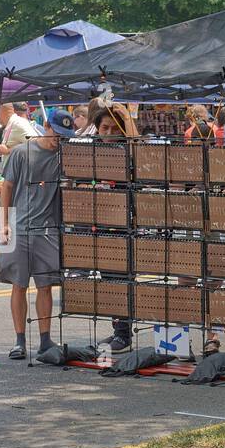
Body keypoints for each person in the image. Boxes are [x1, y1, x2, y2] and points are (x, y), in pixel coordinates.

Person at [0, 108, 72, 360]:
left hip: (48, 229)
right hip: (20, 227)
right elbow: (6, 186)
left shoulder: (64, 155)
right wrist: (4, 222)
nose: (58, 140)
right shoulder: (22, 152)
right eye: (56, 134)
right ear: (46, 126)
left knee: (45, 286)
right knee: (19, 285)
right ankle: (19, 340)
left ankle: (44, 338)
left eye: (64, 136)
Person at [90, 102, 139, 352]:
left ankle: (124, 335)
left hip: (124, 226)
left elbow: (138, 148)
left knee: (123, 281)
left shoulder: (127, 149)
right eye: (104, 128)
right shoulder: (92, 150)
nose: (108, 133)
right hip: (100, 224)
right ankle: (118, 330)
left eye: (113, 128)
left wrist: (127, 118)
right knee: (108, 281)